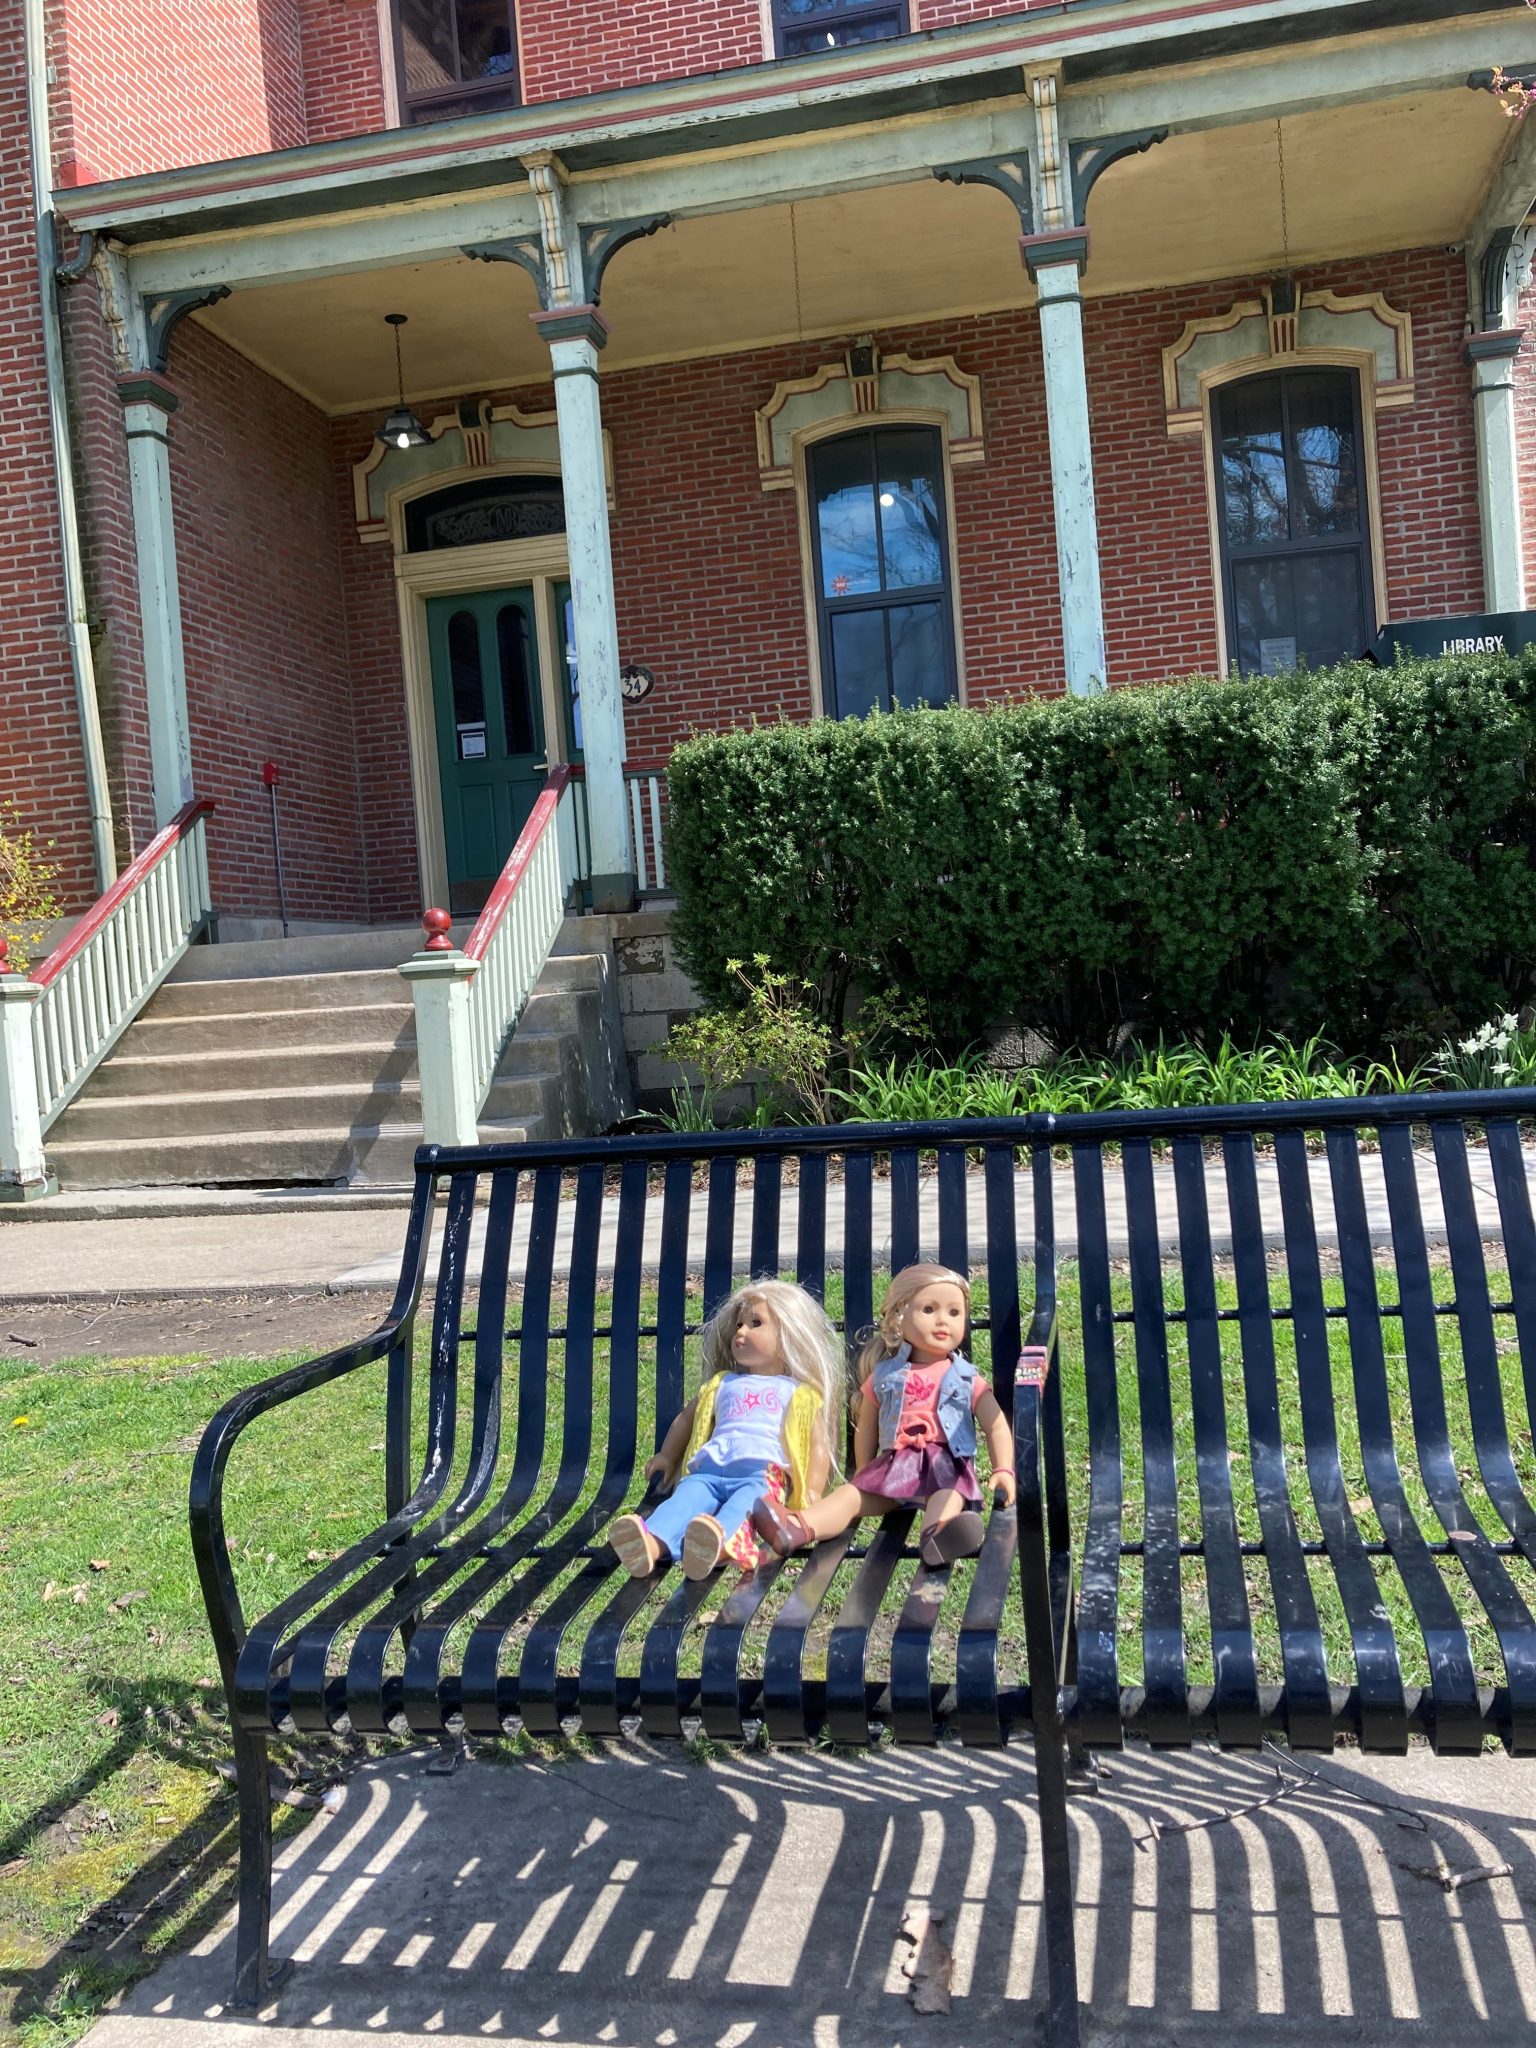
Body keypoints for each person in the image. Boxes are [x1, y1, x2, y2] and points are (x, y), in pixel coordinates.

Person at [751, 1262, 1016, 1569]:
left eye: (954, 1313)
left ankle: (938, 1535)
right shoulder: (885, 1375)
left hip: (945, 1464)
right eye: (929, 1309)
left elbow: (995, 1424)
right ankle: (797, 1527)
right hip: (896, 1468)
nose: (943, 1320)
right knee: (850, 1497)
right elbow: (866, 1426)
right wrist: (865, 1470)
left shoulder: (965, 1378)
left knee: (948, 1492)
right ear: (899, 1317)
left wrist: (1004, 1470)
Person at [608, 1279, 842, 1580]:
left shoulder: (799, 1393)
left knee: (747, 1508)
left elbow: (817, 1445)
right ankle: (650, 1543)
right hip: (709, 1470)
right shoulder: (722, 1383)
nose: (741, 1332)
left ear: (790, 1335)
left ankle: (717, 1546)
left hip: (762, 1475)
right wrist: (668, 1456)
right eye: (740, 1324)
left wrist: (812, 1488)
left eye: (755, 1324)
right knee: (684, 1500)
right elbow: (686, 1419)